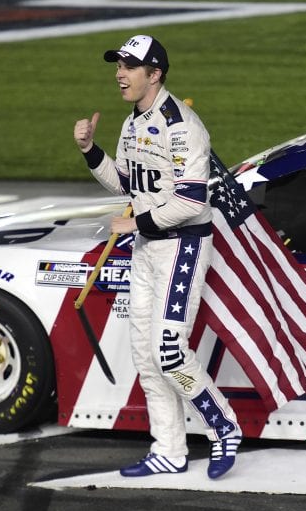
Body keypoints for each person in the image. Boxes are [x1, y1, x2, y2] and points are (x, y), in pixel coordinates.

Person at [74, 34, 242, 480]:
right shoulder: (133, 123)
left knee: (168, 352)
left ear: (155, 74)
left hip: (182, 246)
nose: (119, 74)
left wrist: (137, 225)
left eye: (129, 67)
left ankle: (224, 426)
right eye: (118, 66)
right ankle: (168, 450)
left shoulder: (182, 126)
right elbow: (128, 185)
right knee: (146, 358)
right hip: (148, 249)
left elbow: (191, 202)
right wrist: (90, 151)